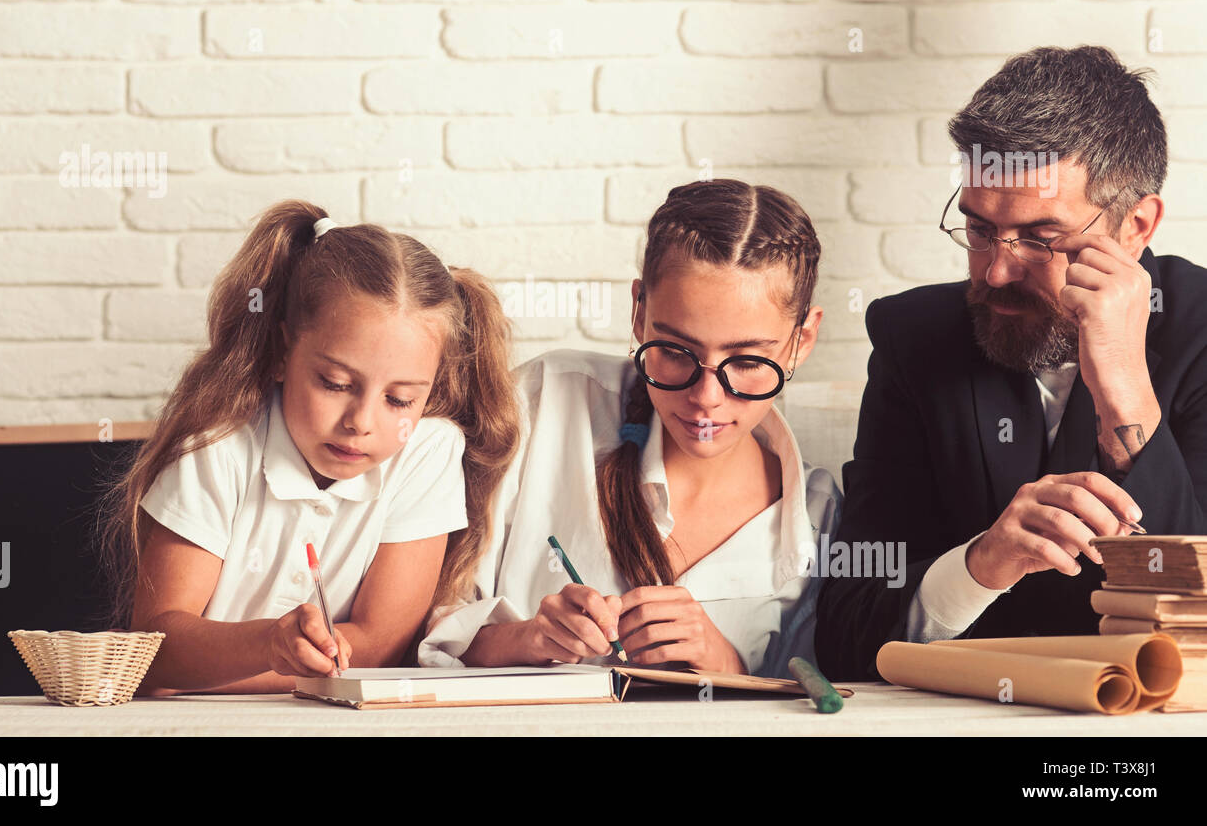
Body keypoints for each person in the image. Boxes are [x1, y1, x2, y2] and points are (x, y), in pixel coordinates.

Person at [815, 46, 1207, 680]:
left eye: (1038, 238)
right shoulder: (913, 340)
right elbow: (846, 630)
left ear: (1136, 225)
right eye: (978, 230)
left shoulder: (1202, 334)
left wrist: (1126, 392)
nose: (995, 271)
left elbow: (1201, 626)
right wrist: (977, 567)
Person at [419, 179, 840, 678]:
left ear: (802, 339)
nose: (706, 398)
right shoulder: (545, 401)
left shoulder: (818, 513)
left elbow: (817, 692)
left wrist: (726, 664)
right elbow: (424, 631)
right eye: (676, 351)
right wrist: (526, 637)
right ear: (639, 312)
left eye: (747, 360)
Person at [98, 201, 518, 694]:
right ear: (281, 352)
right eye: (335, 383)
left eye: (399, 399)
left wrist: (210, 673)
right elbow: (153, 649)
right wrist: (268, 644)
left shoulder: (427, 449)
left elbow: (380, 646)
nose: (361, 423)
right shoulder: (216, 449)